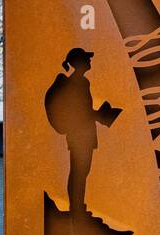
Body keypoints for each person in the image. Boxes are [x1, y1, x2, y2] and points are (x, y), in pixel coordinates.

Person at [45, 48, 121, 218]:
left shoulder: (81, 83)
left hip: (83, 134)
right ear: (79, 63)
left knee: (81, 171)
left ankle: (77, 206)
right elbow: (80, 113)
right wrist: (102, 115)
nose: (90, 61)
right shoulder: (77, 84)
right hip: (80, 135)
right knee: (79, 171)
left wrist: (99, 114)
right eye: (87, 59)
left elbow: (82, 111)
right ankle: (76, 208)